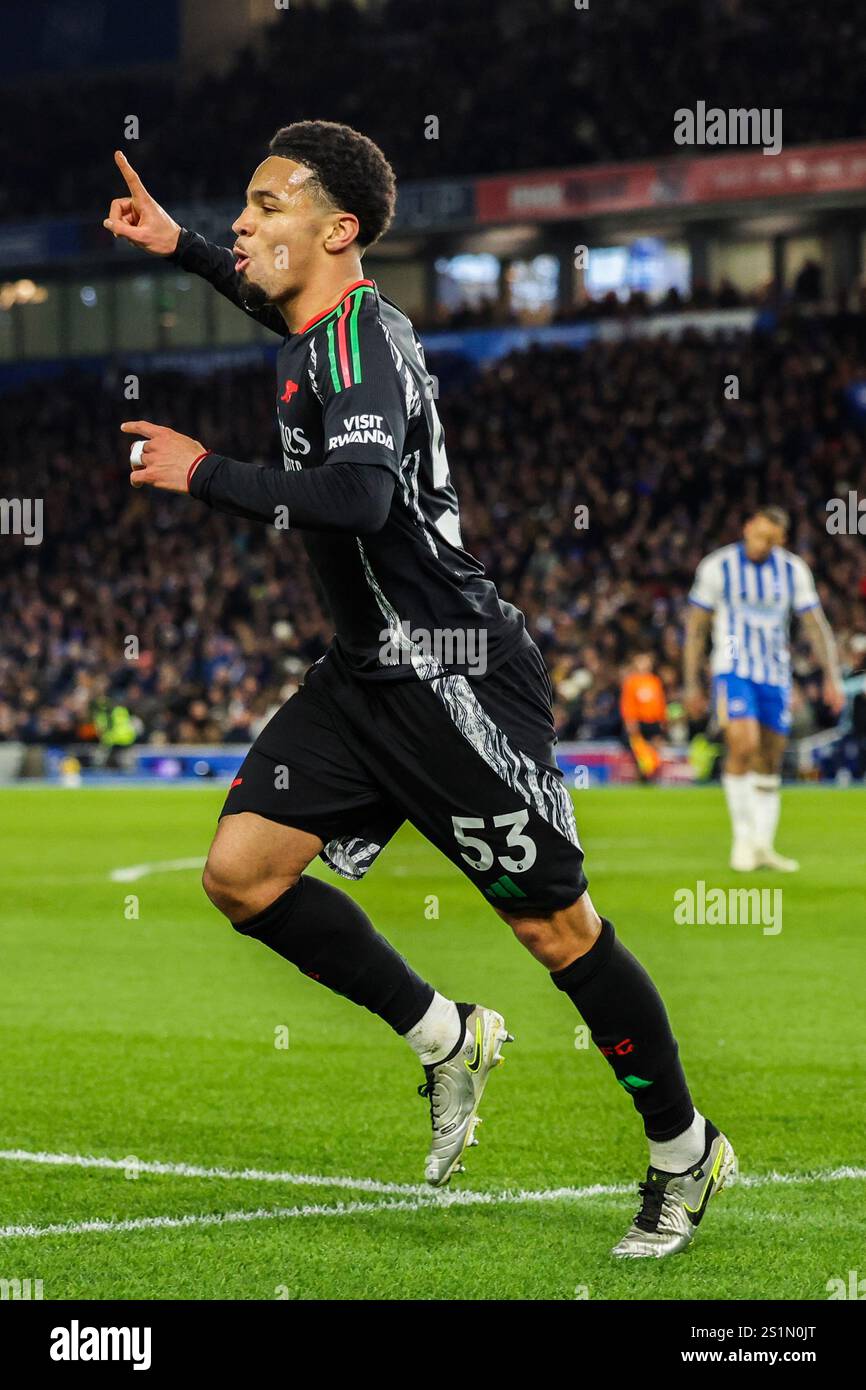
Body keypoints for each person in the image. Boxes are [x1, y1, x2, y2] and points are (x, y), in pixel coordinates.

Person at [103, 123, 735, 1257]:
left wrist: (204, 472)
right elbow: (272, 312)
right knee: (241, 876)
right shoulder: (319, 333)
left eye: (263, 204)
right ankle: (445, 1035)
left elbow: (351, 497)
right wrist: (183, 247)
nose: (242, 222)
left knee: (556, 930)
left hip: (450, 674)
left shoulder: (363, 346)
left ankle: (684, 1151)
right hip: (364, 671)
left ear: (336, 231)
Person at [684, 507, 845, 871]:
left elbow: (815, 624)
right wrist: (692, 681)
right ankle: (742, 841)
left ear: (781, 540)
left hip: (774, 673)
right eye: (757, 535)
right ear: (746, 527)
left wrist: (832, 676)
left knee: (771, 758)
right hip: (733, 668)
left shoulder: (793, 570)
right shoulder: (717, 566)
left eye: (770, 539)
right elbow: (695, 628)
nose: (761, 544)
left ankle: (762, 844)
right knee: (743, 744)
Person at [620, 650, 667, 781]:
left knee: (655, 750)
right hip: (639, 721)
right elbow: (627, 703)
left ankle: (652, 775)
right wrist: (630, 721)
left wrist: (663, 719)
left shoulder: (655, 681)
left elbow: (660, 701)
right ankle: (641, 776)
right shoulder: (631, 682)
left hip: (654, 721)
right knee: (639, 750)